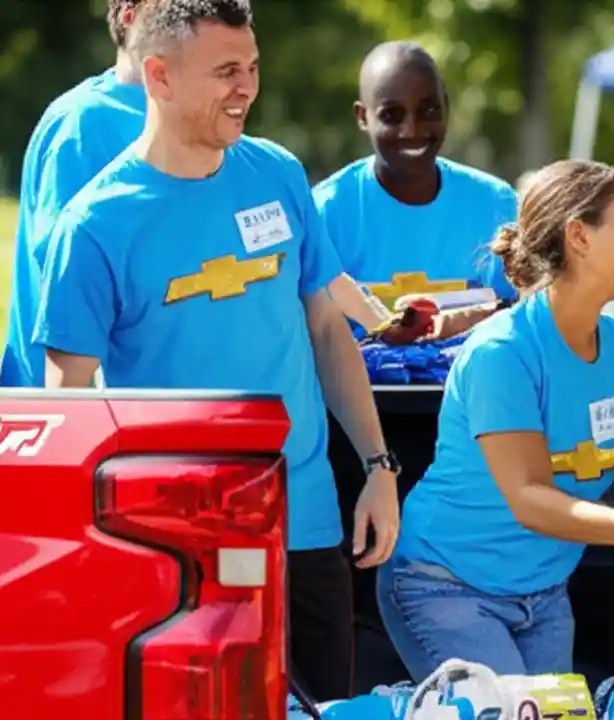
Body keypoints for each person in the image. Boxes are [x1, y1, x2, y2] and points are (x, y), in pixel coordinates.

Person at [33, 0, 399, 702]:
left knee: (331, 706)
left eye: (253, 67)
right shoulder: (95, 225)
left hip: (307, 518)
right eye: (226, 70)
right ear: (159, 76)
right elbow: (67, 396)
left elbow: (325, 326)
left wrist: (379, 466)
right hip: (178, 542)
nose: (247, 88)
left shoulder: (279, 174)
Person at [377, 159, 614, 679]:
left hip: (544, 594)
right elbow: (528, 497)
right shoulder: (501, 352)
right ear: (579, 236)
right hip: (444, 584)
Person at [313, 40, 517, 340]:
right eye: (392, 116)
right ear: (362, 117)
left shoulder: (497, 203)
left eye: (429, 110)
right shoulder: (325, 211)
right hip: (362, 386)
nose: (412, 130)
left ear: (446, 106)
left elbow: (521, 309)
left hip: (474, 384)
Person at [2, 0, 150, 388]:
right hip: (71, 407)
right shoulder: (82, 124)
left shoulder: (206, 116)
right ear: (130, 16)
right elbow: (70, 285)